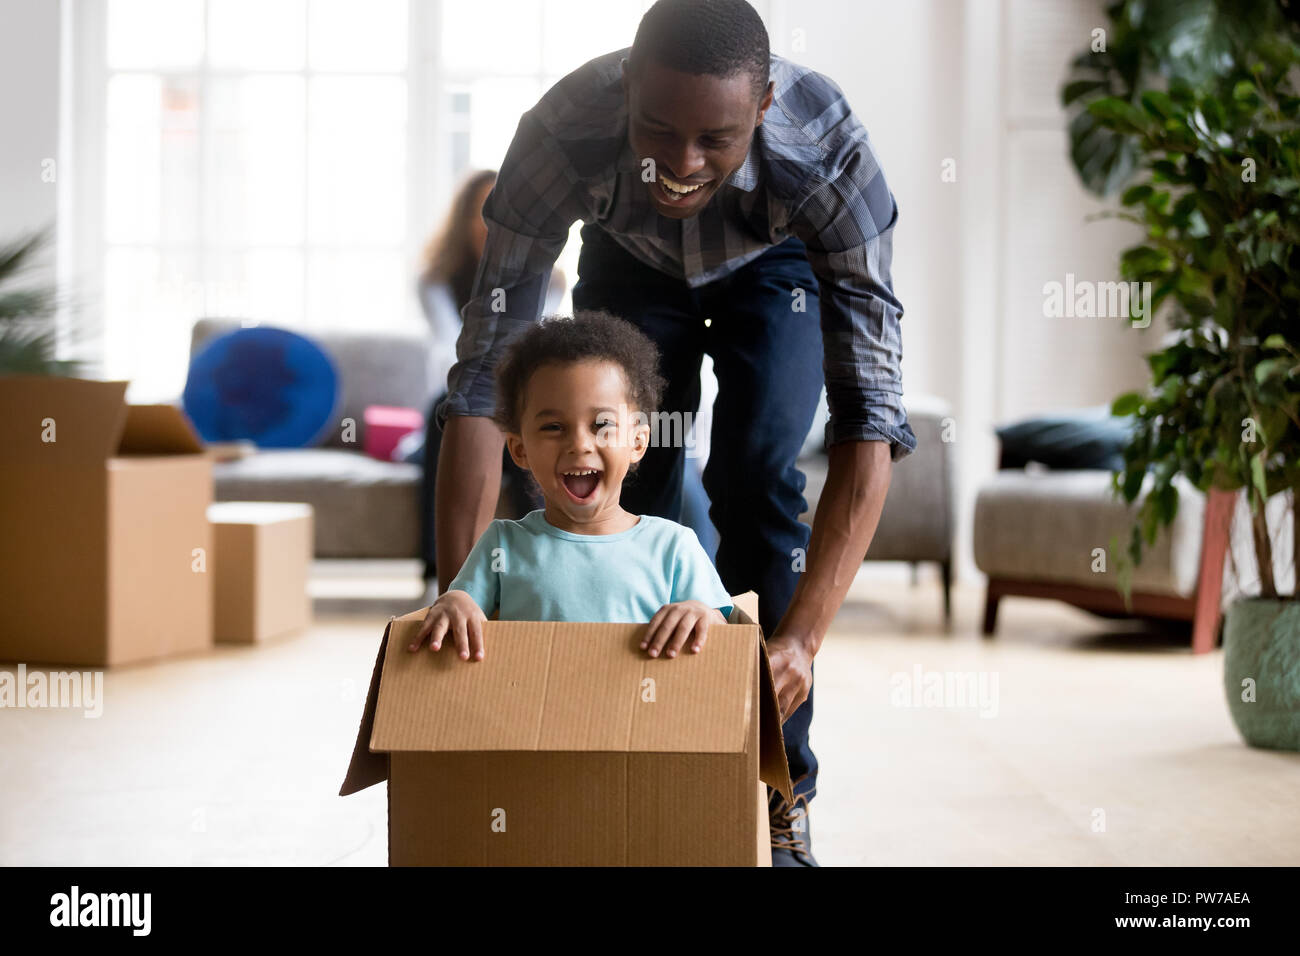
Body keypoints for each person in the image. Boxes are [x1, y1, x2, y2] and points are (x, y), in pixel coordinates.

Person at [424, 0, 917, 866]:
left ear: (761, 111)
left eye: (714, 140)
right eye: (656, 128)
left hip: (778, 271)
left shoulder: (829, 158)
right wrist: (456, 598)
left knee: (757, 472)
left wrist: (801, 641)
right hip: (632, 263)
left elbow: (870, 414)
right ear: (625, 96)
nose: (680, 165)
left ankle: (780, 792)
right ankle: (621, 769)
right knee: (625, 492)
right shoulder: (560, 134)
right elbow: (481, 377)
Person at [411, 310, 732, 653]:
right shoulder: (502, 544)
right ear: (519, 450)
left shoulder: (673, 546)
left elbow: (722, 630)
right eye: (553, 427)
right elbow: (461, 606)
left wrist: (702, 613)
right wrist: (454, 602)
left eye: (601, 424)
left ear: (637, 443)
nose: (579, 444)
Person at [413, 170, 562, 587]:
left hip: (522, 395)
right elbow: (447, 347)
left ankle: (537, 569)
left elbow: (539, 343)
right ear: (463, 219)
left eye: (497, 212)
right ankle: (438, 576)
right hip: (457, 401)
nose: (490, 224)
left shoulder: (550, 280)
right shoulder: (436, 281)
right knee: (440, 413)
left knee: (538, 426)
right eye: (481, 212)